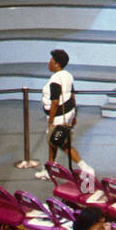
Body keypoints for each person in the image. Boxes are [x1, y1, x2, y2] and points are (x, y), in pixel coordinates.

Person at [35, 49, 95, 178]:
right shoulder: (68, 75)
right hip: (68, 113)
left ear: (56, 64)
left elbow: (55, 102)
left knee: (62, 144)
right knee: (52, 142)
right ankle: (49, 170)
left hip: (58, 117)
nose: (49, 63)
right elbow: (72, 95)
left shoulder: (55, 79)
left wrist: (50, 121)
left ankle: (85, 168)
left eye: (51, 61)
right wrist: (74, 116)